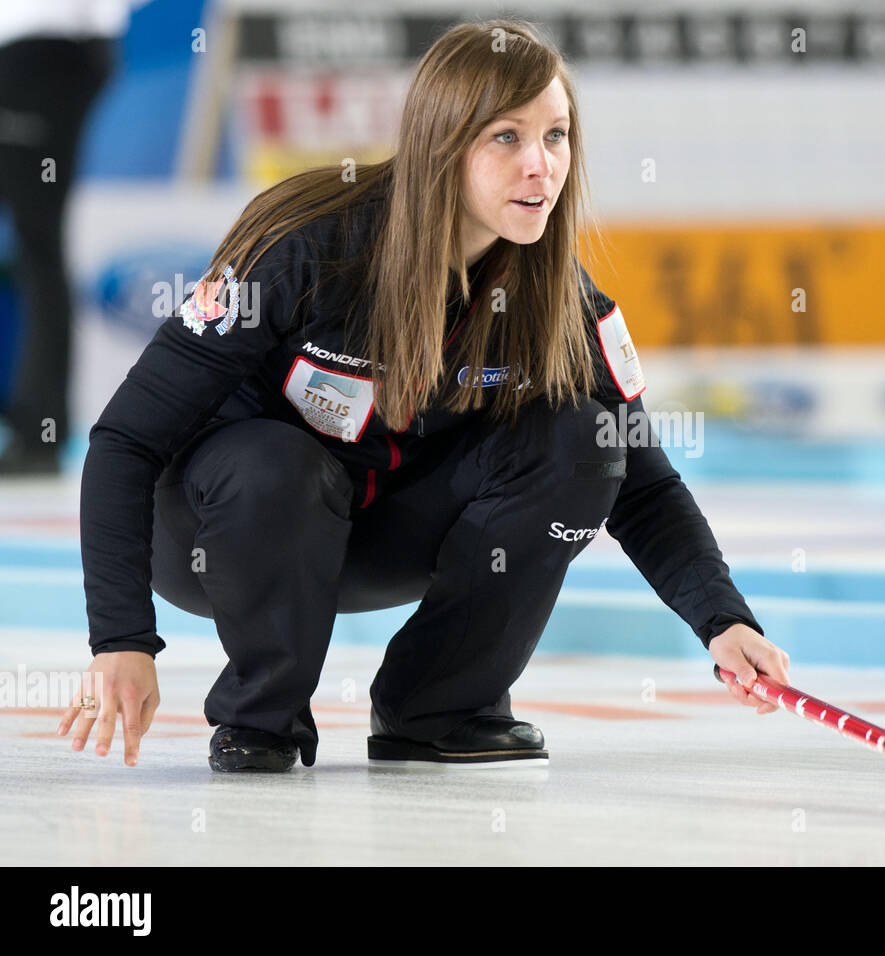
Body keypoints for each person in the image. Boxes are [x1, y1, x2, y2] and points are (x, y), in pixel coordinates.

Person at [57, 18, 790, 773]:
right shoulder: (303, 245)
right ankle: (262, 718)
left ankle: (435, 708)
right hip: (219, 535)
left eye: (557, 136)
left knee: (583, 440)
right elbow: (125, 442)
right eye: (506, 137)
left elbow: (642, 483)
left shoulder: (565, 303)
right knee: (275, 462)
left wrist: (722, 620)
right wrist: (121, 639)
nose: (541, 166)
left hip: (376, 536)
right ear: (444, 142)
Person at [0, 2, 137, 475]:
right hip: (36, 51)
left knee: (39, 247)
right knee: (37, 249)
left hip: (42, 53)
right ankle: (36, 429)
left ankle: (40, 434)